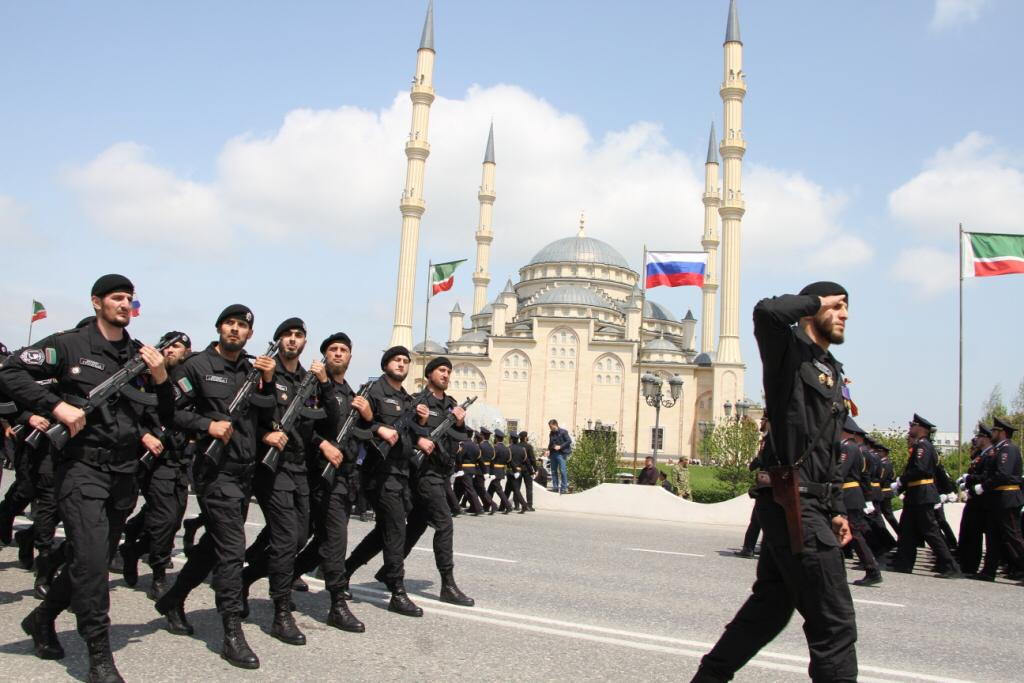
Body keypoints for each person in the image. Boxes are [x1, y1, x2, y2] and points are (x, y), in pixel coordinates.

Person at [1, 274, 172, 683]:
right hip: (81, 468)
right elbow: (10, 372)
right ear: (96, 302)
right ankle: (99, 654)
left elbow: (164, 415)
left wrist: (163, 377)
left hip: (124, 473)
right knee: (95, 564)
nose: (125, 304)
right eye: (117, 297)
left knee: (85, 561)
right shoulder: (68, 344)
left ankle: (43, 619)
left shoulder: (140, 355)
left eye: (129, 299)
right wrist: (55, 406)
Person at [692, 281, 856, 683]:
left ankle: (709, 678)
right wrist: (818, 300)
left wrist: (836, 509)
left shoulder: (831, 370)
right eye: (837, 306)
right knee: (834, 624)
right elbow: (766, 312)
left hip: (811, 504)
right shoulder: (788, 354)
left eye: (846, 308)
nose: (845, 314)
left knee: (769, 609)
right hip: (793, 503)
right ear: (811, 310)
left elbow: (828, 448)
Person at [154, 304, 277, 670]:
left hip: (243, 471)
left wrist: (268, 382)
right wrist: (206, 426)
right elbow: (170, 411)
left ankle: (173, 599)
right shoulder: (196, 366)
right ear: (219, 327)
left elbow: (267, 414)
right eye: (230, 324)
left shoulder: (253, 370)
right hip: (213, 471)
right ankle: (231, 632)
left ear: (250, 334)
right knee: (232, 549)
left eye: (242, 326)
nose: (235, 330)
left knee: (213, 546)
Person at [241, 318, 334, 645]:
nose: (293, 340)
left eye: (298, 336)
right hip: (273, 468)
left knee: (296, 539)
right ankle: (281, 611)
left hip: (300, 469)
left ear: (305, 342)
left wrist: (325, 385)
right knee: (284, 539)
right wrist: (266, 433)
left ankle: (245, 578)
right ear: (278, 340)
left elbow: (328, 421)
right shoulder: (268, 372)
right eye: (287, 335)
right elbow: (245, 415)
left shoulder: (306, 380)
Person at [289, 331, 371, 631]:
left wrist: (369, 416)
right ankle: (337, 604)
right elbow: (301, 423)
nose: (338, 354)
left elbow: (359, 432)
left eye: (343, 350)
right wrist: (321, 443)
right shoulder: (312, 385)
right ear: (325, 355)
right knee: (332, 542)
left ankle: (280, 583)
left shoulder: (350, 392)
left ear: (350, 356)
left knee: (323, 541)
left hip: (345, 478)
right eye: (333, 349)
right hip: (317, 475)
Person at [344, 346, 427, 617]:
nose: (402, 364)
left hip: (402, 472)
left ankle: (345, 570)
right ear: (385, 364)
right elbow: (353, 426)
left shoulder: (406, 399)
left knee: (385, 530)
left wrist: (422, 423)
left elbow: (412, 436)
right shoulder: (372, 391)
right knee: (395, 529)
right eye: (396, 360)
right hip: (379, 472)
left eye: (405, 361)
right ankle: (397, 590)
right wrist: (377, 427)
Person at [119, 331, 194, 601]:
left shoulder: (190, 376)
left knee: (172, 518)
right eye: (169, 346)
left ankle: (133, 547)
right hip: (154, 456)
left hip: (180, 456)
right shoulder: (147, 375)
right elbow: (129, 409)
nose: (172, 351)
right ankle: (159, 575)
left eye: (178, 347)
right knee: (164, 517)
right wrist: (144, 434)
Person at [397, 356, 474, 605]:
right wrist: (420, 434)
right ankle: (447, 585)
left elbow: (458, 435)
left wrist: (460, 422)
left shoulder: (450, 405)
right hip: (423, 472)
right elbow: (403, 430)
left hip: (442, 472)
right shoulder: (419, 402)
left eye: (449, 371)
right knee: (444, 523)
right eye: (441, 370)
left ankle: (389, 569)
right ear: (429, 374)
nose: (446, 375)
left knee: (416, 526)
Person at [890, 414, 961, 578]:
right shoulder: (921, 446)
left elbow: (921, 470)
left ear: (921, 428)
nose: (910, 428)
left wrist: (902, 480)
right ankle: (904, 564)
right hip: (915, 495)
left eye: (912, 425)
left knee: (931, 532)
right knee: (907, 530)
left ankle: (951, 566)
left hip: (922, 494)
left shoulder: (923, 446)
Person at [973, 417, 1024, 581]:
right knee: (993, 536)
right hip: (998, 498)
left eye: (994, 430)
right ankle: (989, 571)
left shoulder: (1008, 449)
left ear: (1002, 433)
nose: (992, 433)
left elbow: (1003, 474)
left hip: (1007, 498)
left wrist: (984, 486)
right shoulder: (999, 449)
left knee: (1014, 537)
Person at [838, 418, 881, 586]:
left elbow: (840, 472)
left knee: (854, 534)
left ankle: (872, 569)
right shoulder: (854, 447)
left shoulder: (847, 447)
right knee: (851, 533)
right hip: (852, 494)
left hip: (848, 494)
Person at [958, 424, 992, 575]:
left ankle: (971, 566)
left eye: (979, 437)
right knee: (968, 531)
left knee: (974, 534)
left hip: (982, 500)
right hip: (974, 498)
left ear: (985, 438)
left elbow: (986, 476)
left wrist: (969, 478)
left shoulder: (990, 454)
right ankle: (966, 563)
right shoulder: (982, 455)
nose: (976, 439)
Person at [487, 429, 513, 513]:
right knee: (491, 490)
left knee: (499, 490)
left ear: (496, 438)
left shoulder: (495, 448)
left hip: (495, 471)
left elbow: (491, 458)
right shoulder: (507, 449)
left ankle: (508, 506)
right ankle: (487, 505)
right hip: (501, 470)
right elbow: (508, 460)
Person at [547, 419, 572, 494]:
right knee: (554, 471)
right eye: (550, 427)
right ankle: (555, 487)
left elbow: (569, 441)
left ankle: (564, 488)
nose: (550, 428)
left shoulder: (563, 432)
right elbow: (550, 443)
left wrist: (560, 446)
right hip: (553, 454)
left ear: (555, 425)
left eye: (551, 427)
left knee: (562, 470)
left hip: (561, 454)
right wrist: (548, 450)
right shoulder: (551, 433)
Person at [520, 431, 538, 511]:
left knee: (517, 488)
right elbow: (533, 459)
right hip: (527, 469)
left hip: (518, 469)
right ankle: (529, 505)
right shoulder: (529, 446)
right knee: (529, 488)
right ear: (525, 437)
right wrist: (535, 469)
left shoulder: (517, 446)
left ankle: (517, 505)